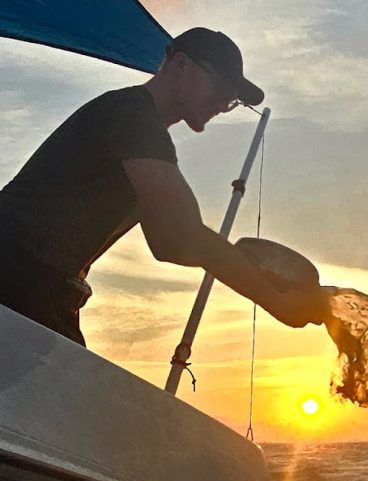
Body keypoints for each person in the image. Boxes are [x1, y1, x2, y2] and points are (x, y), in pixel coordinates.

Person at [0, 27, 326, 346]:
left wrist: (258, 269)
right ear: (180, 65)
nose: (226, 101)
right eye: (221, 87)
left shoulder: (146, 140)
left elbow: (169, 245)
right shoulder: (131, 116)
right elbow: (187, 236)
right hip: (17, 275)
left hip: (41, 288)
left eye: (232, 100)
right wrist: (274, 300)